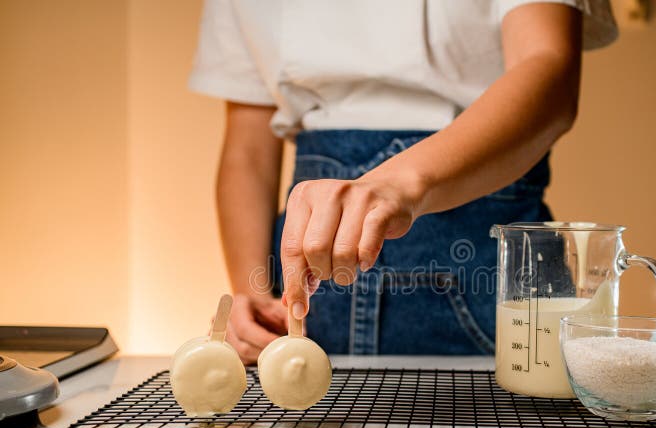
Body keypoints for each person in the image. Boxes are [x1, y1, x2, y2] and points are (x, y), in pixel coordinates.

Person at [189, 0, 617, 363]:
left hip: (493, 277)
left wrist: (400, 185)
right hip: (312, 297)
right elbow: (248, 151)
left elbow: (549, 71)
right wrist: (254, 294)